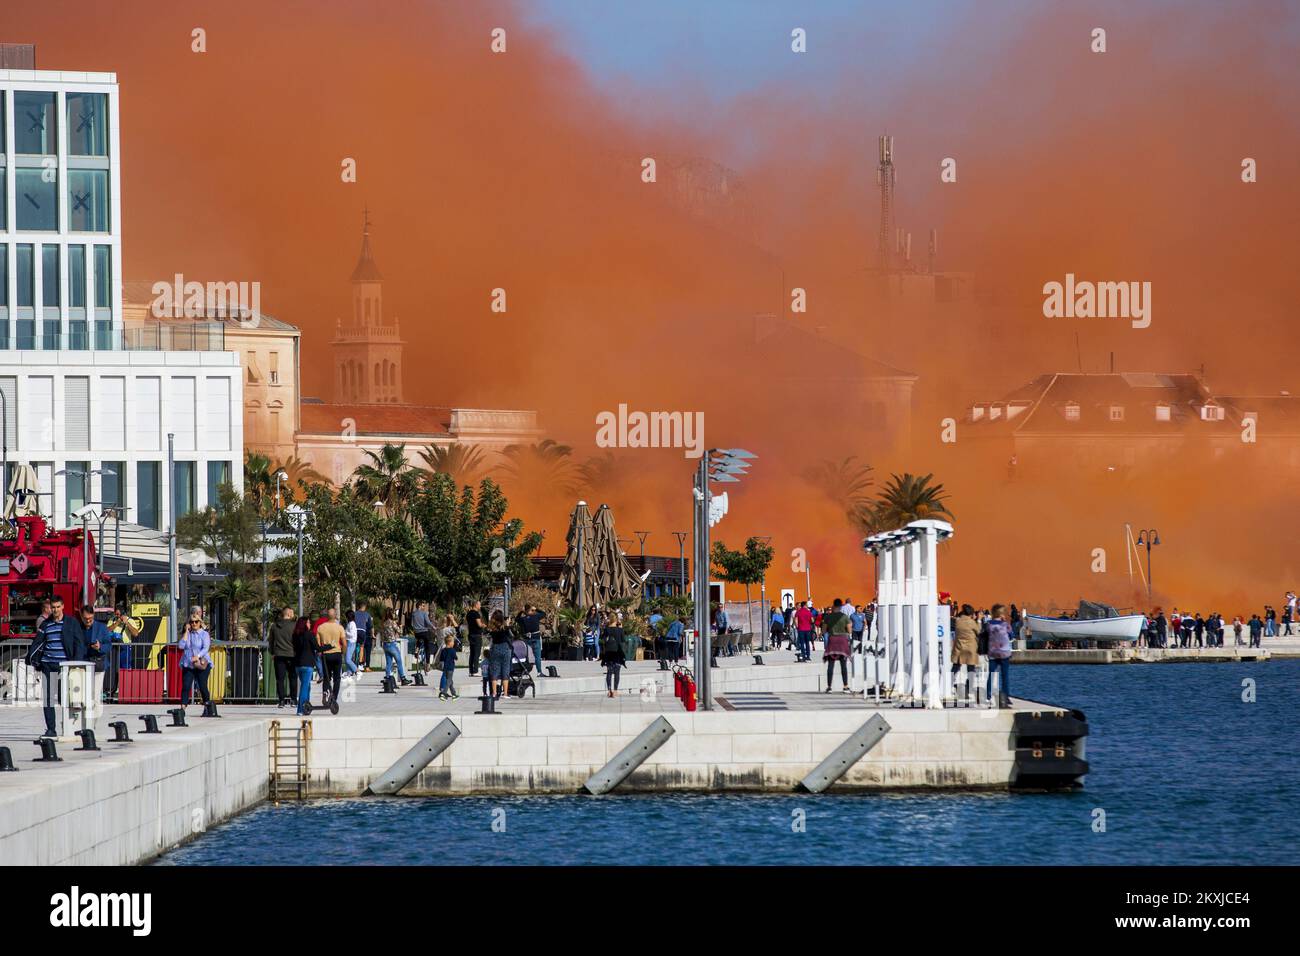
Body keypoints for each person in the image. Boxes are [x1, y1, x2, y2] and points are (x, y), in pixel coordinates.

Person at [32, 596, 90, 737]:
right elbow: (38, 642)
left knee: (65, 698)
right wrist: (35, 660)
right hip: (48, 665)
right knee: (48, 699)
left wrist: (75, 664)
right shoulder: (46, 624)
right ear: (50, 608)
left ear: (63, 606)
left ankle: (70, 726)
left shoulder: (71, 622)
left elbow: (79, 643)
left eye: (58, 607)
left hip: (64, 666)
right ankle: (51, 729)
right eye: (53, 607)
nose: (56, 610)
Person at [178, 607, 213, 711]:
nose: (194, 624)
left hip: (201, 663)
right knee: (186, 686)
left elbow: (206, 647)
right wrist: (186, 632)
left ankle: (207, 706)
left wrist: (197, 656)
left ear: (200, 622)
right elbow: (181, 646)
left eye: (196, 622)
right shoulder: (188, 634)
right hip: (188, 664)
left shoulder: (204, 634)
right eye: (192, 622)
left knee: (202, 686)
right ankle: (182, 708)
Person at [316, 609, 347, 705]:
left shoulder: (320, 628)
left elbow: (317, 643)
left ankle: (325, 692)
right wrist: (343, 653)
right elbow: (344, 643)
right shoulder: (340, 628)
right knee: (337, 678)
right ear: (335, 616)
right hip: (337, 654)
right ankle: (334, 696)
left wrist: (320, 652)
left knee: (326, 676)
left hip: (325, 655)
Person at [821, 598, 852, 693]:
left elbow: (823, 630)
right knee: (843, 665)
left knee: (831, 664)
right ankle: (845, 686)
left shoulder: (828, 617)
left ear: (833, 606)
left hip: (832, 640)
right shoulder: (844, 616)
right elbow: (849, 630)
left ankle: (829, 687)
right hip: (842, 640)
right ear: (841, 606)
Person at [986, 604, 1013, 708]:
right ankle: (1005, 696)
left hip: (992, 652)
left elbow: (985, 634)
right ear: (1001, 614)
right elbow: (1011, 636)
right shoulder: (1005, 625)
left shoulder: (988, 624)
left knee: (991, 674)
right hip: (1004, 653)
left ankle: (988, 696)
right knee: (1005, 676)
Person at [951, 604, 981, 701]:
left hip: (959, 647)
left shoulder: (958, 622)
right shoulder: (972, 622)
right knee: (971, 668)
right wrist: (979, 620)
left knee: (956, 667)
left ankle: (949, 685)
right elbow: (979, 631)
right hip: (970, 648)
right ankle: (970, 690)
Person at [270, 606, 298, 707]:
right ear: (289, 614)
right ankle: (293, 700)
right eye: (293, 613)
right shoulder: (295, 626)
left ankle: (281, 700)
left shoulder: (274, 626)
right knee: (293, 678)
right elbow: (296, 640)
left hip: (279, 655)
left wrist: (272, 653)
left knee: (280, 679)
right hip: (292, 655)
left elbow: (271, 641)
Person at [290, 616, 316, 715]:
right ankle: (301, 709)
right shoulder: (309, 635)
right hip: (307, 664)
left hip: (298, 664)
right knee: (304, 687)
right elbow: (316, 647)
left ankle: (306, 707)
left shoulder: (295, 635)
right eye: (308, 623)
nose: (310, 624)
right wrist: (329, 646)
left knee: (307, 686)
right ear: (305, 624)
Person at [379, 608, 412, 685]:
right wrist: (400, 626)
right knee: (399, 661)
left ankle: (387, 677)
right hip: (392, 644)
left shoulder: (383, 623)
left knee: (389, 663)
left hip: (385, 645)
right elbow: (400, 632)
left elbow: (381, 634)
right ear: (391, 614)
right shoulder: (392, 623)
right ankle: (403, 678)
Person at [487, 610, 513, 700]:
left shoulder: (492, 628)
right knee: (505, 670)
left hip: (495, 649)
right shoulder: (505, 628)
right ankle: (505, 693)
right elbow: (511, 636)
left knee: (495, 670)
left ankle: (494, 693)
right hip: (505, 649)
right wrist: (508, 623)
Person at [599, 614, 626, 697]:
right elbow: (623, 640)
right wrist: (621, 628)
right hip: (617, 652)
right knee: (617, 672)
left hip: (609, 652)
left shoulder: (607, 629)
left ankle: (609, 690)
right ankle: (615, 691)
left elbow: (602, 640)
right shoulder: (620, 630)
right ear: (616, 620)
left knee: (609, 672)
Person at [516, 603, 545, 676]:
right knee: (537, 656)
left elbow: (516, 619)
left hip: (527, 639)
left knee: (527, 656)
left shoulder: (523, 619)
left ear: (525, 611)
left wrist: (521, 612)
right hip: (536, 638)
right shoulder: (536, 616)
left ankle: (526, 671)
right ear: (531, 610)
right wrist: (536, 609)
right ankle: (539, 672)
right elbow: (544, 613)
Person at [411, 601, 434, 671]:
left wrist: (416, 628)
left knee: (418, 639)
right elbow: (427, 622)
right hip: (424, 632)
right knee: (427, 647)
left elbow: (412, 624)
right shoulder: (424, 613)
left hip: (417, 633)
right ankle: (427, 664)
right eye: (423, 606)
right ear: (420, 606)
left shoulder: (413, 613)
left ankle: (417, 649)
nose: (424, 608)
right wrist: (433, 627)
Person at [438, 633, 459, 701]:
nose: (453, 643)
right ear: (450, 642)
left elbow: (441, 659)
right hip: (450, 668)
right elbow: (455, 658)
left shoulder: (443, 650)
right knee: (448, 681)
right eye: (453, 642)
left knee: (450, 681)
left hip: (445, 668)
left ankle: (454, 694)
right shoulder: (452, 650)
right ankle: (443, 693)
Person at [466, 600, 485, 676]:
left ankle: (471, 671)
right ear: (476, 605)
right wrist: (484, 625)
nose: (480, 606)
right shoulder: (476, 613)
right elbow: (479, 624)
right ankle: (475, 671)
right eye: (479, 605)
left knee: (472, 653)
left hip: (471, 634)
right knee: (477, 653)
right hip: (477, 635)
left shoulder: (468, 614)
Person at [354, 601, 374, 671]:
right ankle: (360, 664)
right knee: (362, 646)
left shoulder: (354, 613)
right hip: (362, 631)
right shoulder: (367, 614)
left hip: (355, 631)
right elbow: (371, 626)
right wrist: (373, 635)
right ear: (364, 607)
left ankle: (354, 663)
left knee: (356, 646)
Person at [343, 609, 360, 678]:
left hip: (351, 642)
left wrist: (344, 632)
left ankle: (357, 670)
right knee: (347, 658)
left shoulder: (352, 624)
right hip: (349, 642)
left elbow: (352, 634)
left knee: (347, 659)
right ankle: (349, 672)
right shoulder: (349, 624)